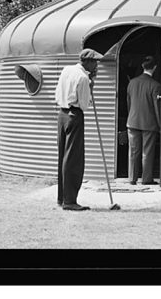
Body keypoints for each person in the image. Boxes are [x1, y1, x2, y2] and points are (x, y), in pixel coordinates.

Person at [54, 48, 103, 211]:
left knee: (63, 155)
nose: (97, 66)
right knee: (74, 158)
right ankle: (70, 201)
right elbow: (84, 104)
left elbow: (57, 93)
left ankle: (62, 198)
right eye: (95, 62)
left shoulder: (67, 70)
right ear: (87, 62)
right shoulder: (83, 78)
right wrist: (92, 87)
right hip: (75, 115)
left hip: (62, 114)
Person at [126, 55, 161, 185]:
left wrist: (131, 116)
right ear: (155, 67)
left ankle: (132, 179)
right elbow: (157, 107)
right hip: (149, 124)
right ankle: (146, 179)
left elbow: (128, 103)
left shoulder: (132, 83)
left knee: (133, 152)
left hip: (132, 121)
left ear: (142, 66)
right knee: (147, 152)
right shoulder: (155, 85)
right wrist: (160, 125)